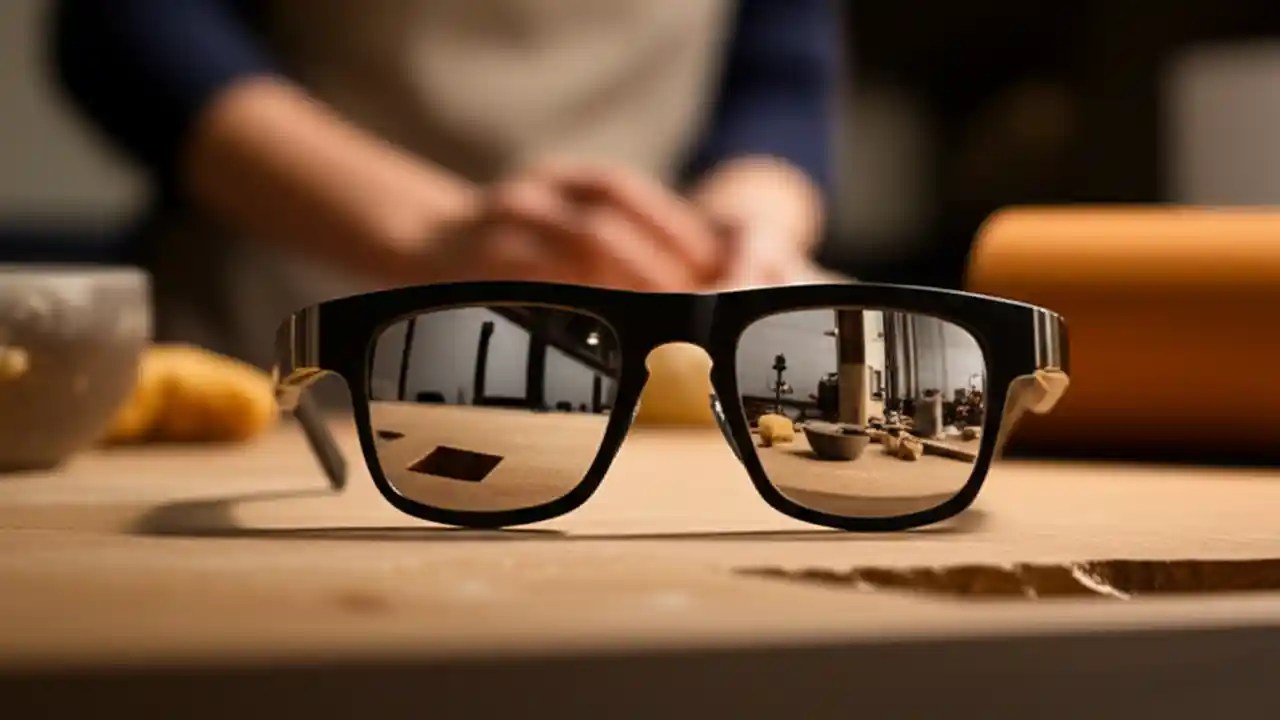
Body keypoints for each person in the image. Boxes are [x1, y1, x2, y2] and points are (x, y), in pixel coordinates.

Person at [51, 0, 841, 368]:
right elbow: (131, 31)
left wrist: (749, 234)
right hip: (277, 348)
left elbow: (778, 74)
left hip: (614, 368)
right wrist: (433, 233)